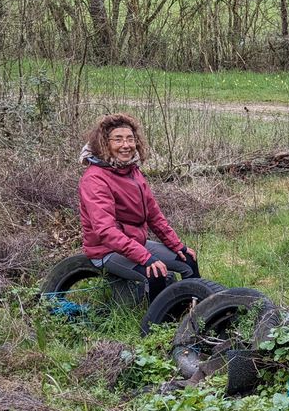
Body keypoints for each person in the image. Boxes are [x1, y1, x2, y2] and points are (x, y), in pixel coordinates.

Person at [78, 113, 199, 300]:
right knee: (156, 272)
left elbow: (154, 215)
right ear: (104, 143)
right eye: (118, 139)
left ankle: (199, 313)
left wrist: (177, 246)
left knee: (188, 261)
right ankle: (158, 325)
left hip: (135, 242)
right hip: (107, 251)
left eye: (130, 139)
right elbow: (105, 231)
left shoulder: (131, 170)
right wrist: (145, 257)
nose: (126, 145)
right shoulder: (95, 179)